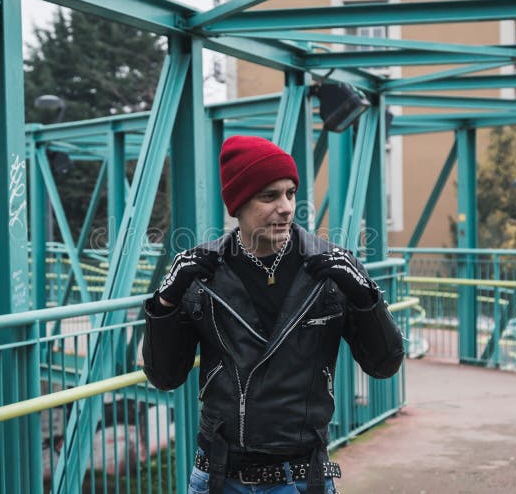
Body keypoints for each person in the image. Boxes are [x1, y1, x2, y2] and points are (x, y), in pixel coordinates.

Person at [142, 135, 405, 494]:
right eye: (269, 196)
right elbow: (165, 377)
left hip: (301, 477)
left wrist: (365, 296)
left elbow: (384, 364)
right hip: (217, 477)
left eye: (290, 193)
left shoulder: (332, 269)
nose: (286, 208)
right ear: (238, 204)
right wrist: (165, 303)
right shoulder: (201, 273)